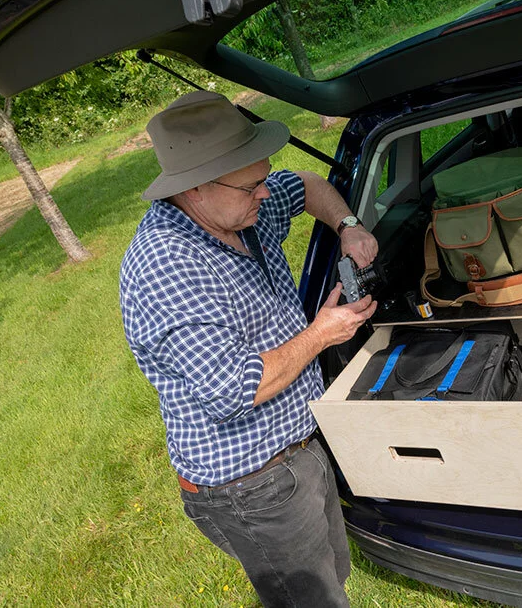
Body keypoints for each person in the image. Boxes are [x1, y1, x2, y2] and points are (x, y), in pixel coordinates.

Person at [119, 91, 377, 606]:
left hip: (298, 451)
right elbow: (233, 389)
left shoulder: (238, 209)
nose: (265, 193)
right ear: (195, 187)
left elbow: (302, 185)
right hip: (251, 486)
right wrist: (323, 332)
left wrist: (348, 226)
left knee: (331, 579)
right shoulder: (168, 266)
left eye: (262, 176)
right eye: (252, 184)